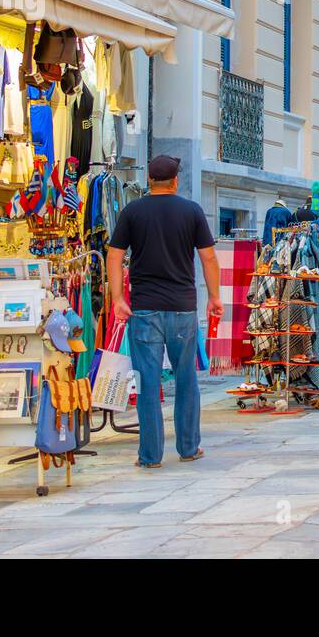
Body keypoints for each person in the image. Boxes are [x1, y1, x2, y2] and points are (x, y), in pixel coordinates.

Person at [108, 155, 221, 468]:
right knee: (186, 380)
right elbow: (208, 258)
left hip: (144, 309)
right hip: (182, 309)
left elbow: (114, 256)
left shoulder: (132, 211)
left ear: (148, 181)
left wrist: (118, 297)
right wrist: (215, 297)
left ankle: (150, 455)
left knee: (146, 382)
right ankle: (188, 448)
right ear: (175, 181)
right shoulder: (191, 211)